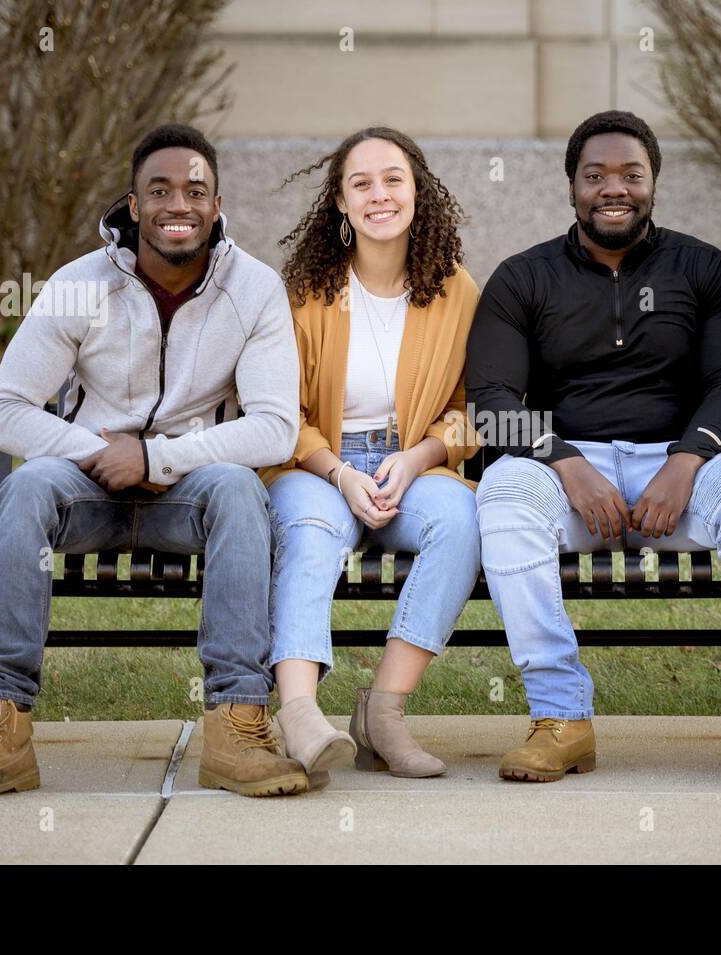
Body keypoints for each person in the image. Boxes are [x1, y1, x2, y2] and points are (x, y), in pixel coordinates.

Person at [0, 124, 307, 802]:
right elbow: (3, 410)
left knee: (242, 491)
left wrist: (158, 454)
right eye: (159, 190)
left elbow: (275, 428)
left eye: (194, 191)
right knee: (29, 484)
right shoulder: (80, 284)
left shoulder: (253, 289)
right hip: (89, 486)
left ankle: (236, 724)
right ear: (133, 204)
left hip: (190, 486)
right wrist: (102, 452)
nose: (177, 205)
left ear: (217, 206)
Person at [467, 111, 721, 788]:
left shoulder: (701, 268)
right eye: (595, 175)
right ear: (572, 187)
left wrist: (688, 461)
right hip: (564, 466)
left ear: (654, 183)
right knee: (501, 497)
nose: (612, 188)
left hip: (679, 464)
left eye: (631, 173)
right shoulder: (523, 277)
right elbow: (492, 401)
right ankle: (561, 716)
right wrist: (565, 463)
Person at [261, 127, 481, 780]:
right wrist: (338, 470)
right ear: (339, 201)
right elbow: (278, 412)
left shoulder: (456, 292)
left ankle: (383, 710)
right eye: (361, 183)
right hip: (315, 463)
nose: (379, 194)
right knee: (310, 530)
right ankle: (299, 712)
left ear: (418, 191)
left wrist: (417, 458)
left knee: (464, 520)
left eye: (393, 179)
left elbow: (475, 410)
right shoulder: (304, 292)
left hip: (413, 462)